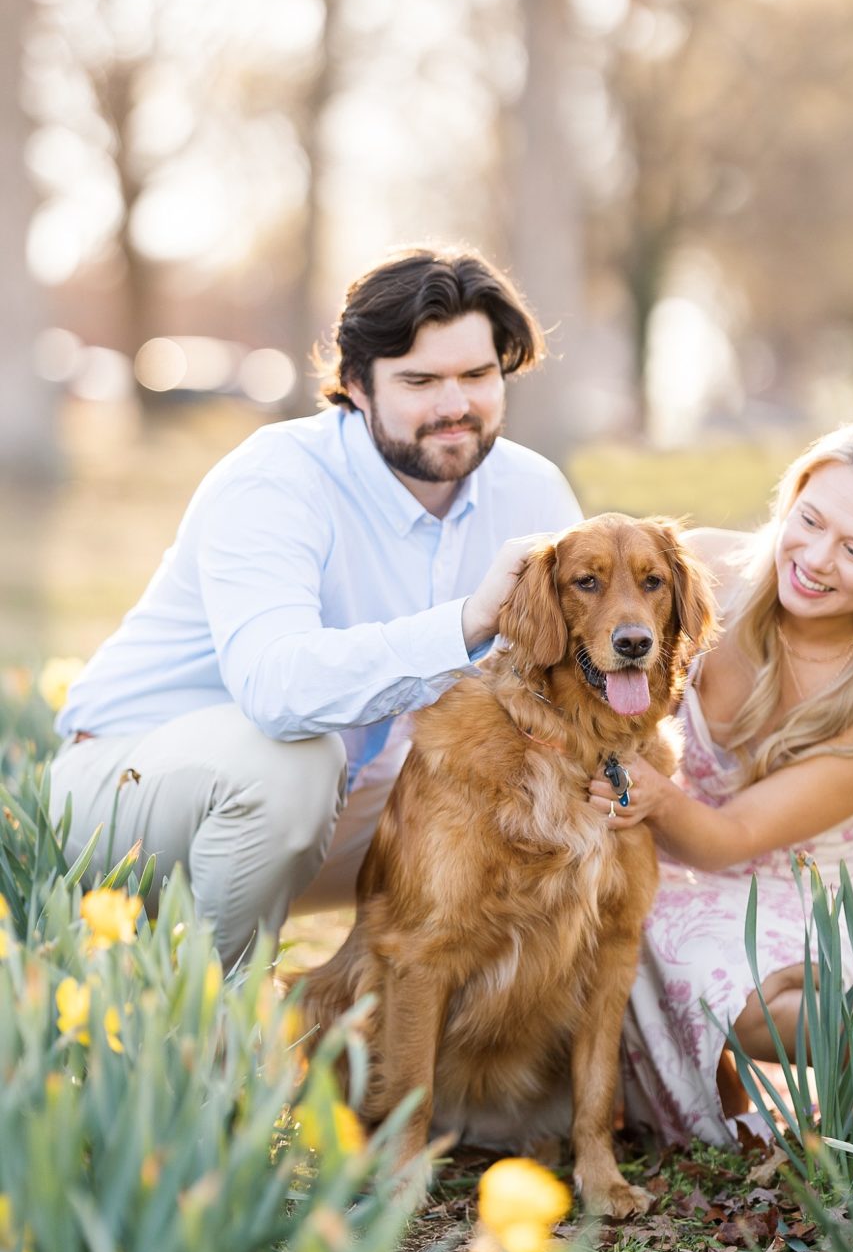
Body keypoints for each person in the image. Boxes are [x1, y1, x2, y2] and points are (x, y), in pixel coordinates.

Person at [52, 247, 582, 968]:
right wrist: (465, 624)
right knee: (291, 766)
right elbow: (276, 691)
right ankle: (213, 1035)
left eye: (476, 376)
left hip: (345, 807)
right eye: (420, 381)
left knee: (558, 805)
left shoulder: (533, 491)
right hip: (131, 792)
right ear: (357, 386)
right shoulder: (276, 478)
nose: (454, 405)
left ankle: (482, 1073)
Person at [587, 415, 853, 1146]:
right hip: (684, 855)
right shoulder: (704, 570)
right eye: (809, 521)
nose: (814, 558)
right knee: (623, 908)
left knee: (729, 988)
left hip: (816, 882)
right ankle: (696, 1084)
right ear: (794, 495)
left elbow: (733, 837)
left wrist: (649, 794)